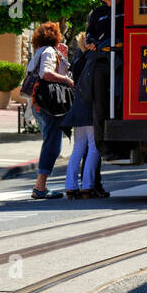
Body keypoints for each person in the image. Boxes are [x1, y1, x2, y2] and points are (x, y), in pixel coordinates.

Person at [83, 0, 126, 197]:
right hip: (100, 63)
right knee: (99, 106)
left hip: (122, 63)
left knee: (120, 101)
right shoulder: (97, 13)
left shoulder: (127, 9)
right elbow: (88, 36)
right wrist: (89, 43)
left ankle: (121, 145)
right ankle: (104, 147)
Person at [27, 22, 74, 200]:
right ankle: (40, 186)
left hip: (39, 103)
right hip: (50, 104)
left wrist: (63, 56)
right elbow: (46, 73)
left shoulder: (39, 52)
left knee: (51, 141)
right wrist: (67, 81)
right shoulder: (48, 52)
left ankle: (41, 185)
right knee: (52, 144)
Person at [59, 35, 98, 201]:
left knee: (78, 147)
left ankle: (70, 185)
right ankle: (88, 185)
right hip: (90, 106)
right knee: (94, 147)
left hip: (78, 106)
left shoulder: (77, 59)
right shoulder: (92, 58)